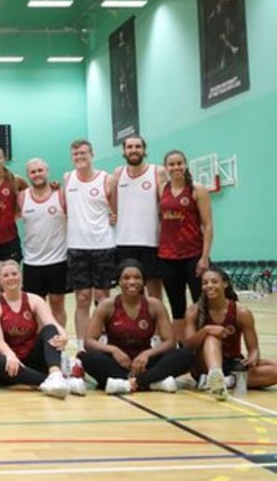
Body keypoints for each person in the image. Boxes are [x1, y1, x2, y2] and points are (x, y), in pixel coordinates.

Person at [81, 260, 193, 395]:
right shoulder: (107, 305)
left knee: (186, 354)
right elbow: (89, 342)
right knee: (88, 358)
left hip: (145, 363)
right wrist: (113, 350)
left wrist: (147, 354)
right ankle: (152, 381)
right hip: (117, 363)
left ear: (143, 281)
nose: (132, 282)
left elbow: (170, 342)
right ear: (119, 281)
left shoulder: (154, 305)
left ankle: (130, 383)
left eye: (137, 277)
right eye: (126, 278)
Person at [0, 261, 78, 398]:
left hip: (32, 357)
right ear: (0, 280)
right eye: (6, 275)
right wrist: (10, 355)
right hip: (10, 362)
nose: (11, 278)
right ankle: (54, 382)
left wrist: (64, 336)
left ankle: (55, 375)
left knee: (50, 329)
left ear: (20, 276)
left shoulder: (34, 300)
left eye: (14, 274)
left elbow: (52, 323)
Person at [184, 267, 277, 400]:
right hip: (203, 365)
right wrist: (206, 330)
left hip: (232, 363)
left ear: (225, 284)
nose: (209, 286)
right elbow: (188, 345)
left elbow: (253, 349)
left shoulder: (241, 312)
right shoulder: (194, 311)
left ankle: (227, 382)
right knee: (212, 337)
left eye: (214, 281)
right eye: (205, 283)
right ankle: (215, 374)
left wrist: (253, 357)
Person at [64, 139, 116, 344]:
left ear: (92, 155)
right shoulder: (67, 178)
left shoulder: (107, 179)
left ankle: (102, 344)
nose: (79, 157)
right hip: (77, 248)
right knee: (82, 298)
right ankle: (82, 349)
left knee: (103, 299)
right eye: (76, 154)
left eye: (83, 153)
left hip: (103, 246)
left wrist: (115, 217)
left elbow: (116, 210)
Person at [159, 150, 214, 340]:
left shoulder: (197, 189)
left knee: (201, 304)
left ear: (185, 164)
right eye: (172, 164)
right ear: (166, 168)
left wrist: (204, 257)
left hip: (193, 255)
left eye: (179, 163)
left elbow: (207, 225)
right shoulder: (161, 189)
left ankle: (204, 345)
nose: (176, 167)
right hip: (167, 257)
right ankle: (182, 352)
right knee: (177, 307)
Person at [113, 136, 166, 299]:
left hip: (151, 241)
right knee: (130, 290)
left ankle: (157, 324)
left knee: (153, 290)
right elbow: (113, 204)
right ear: (124, 151)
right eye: (129, 147)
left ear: (144, 150)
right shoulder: (118, 173)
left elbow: (164, 206)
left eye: (137, 146)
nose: (133, 150)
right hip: (124, 242)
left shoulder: (157, 171)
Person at [19, 158, 69, 330]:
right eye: (33, 172)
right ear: (28, 175)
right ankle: (40, 346)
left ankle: (58, 343)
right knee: (35, 307)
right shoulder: (22, 197)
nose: (37, 174)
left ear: (47, 172)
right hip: (32, 261)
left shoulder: (61, 195)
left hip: (58, 259)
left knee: (57, 303)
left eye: (40, 170)